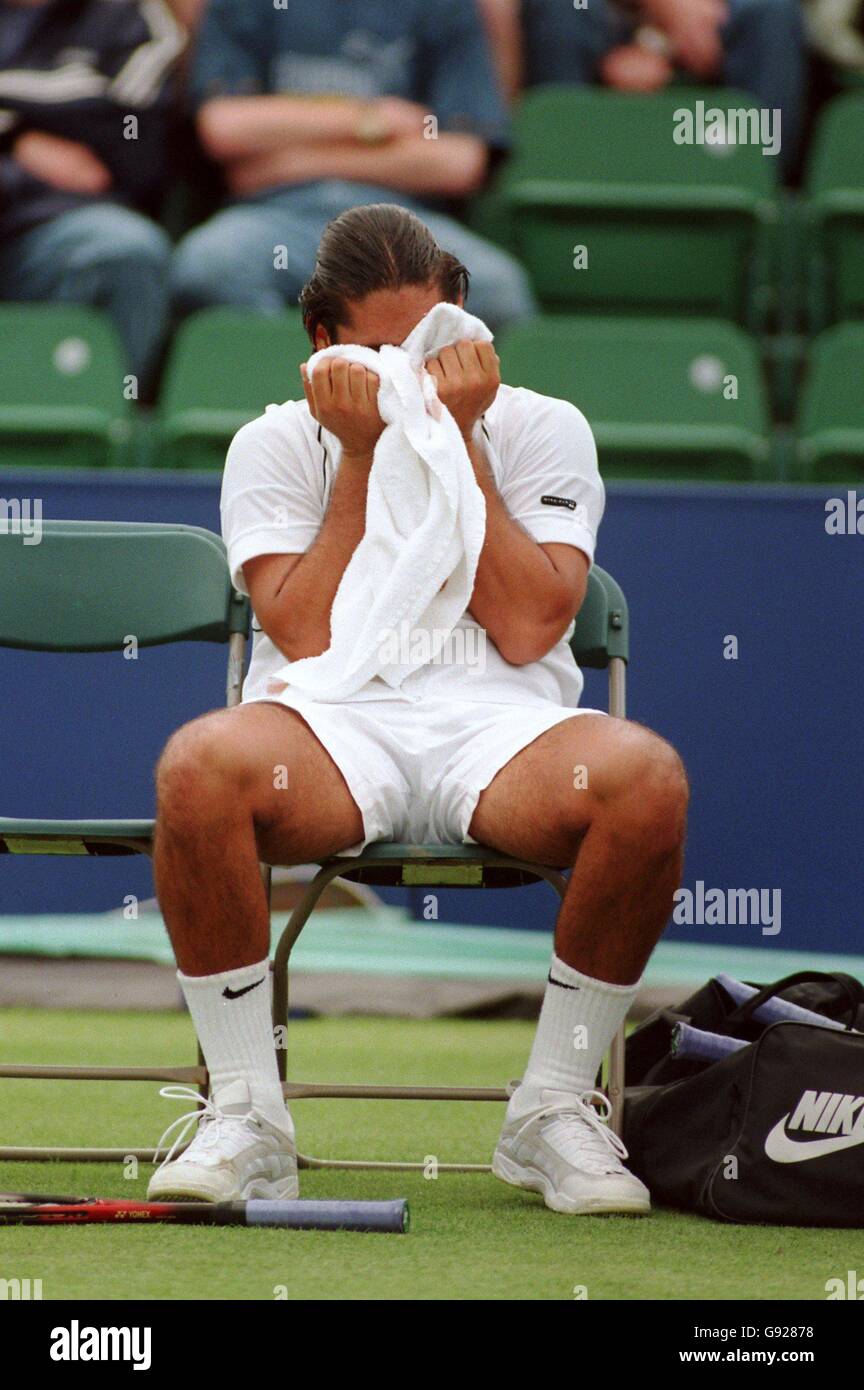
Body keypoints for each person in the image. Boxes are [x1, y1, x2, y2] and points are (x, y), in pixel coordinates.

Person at [150, 203, 689, 1217]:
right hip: (330, 724)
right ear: (322, 342)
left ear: (467, 327)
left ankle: (555, 1107)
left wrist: (463, 448)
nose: (410, 369)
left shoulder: (543, 427)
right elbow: (305, 637)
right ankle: (247, 1114)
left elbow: (532, 625)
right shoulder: (271, 445)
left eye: (431, 342)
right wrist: (362, 457)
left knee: (647, 779)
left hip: (502, 727)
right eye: (378, 351)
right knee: (196, 766)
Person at [169, 0, 536, 333]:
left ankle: (409, 399)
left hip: (407, 229)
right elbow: (224, 127)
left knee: (496, 289)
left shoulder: (442, 8)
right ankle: (289, 396)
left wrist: (294, 158)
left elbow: (460, 161)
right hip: (276, 216)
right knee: (211, 266)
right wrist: (376, 120)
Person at [0, 0, 185, 391]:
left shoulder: (132, 18)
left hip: (51, 228)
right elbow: (93, 116)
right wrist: (18, 135)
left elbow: (131, 148)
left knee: (129, 251)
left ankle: (102, 436)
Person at [522, 0, 806, 175]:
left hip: (712, 15)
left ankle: (759, 198)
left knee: (772, 12)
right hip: (603, 14)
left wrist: (657, 42)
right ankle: (562, 187)